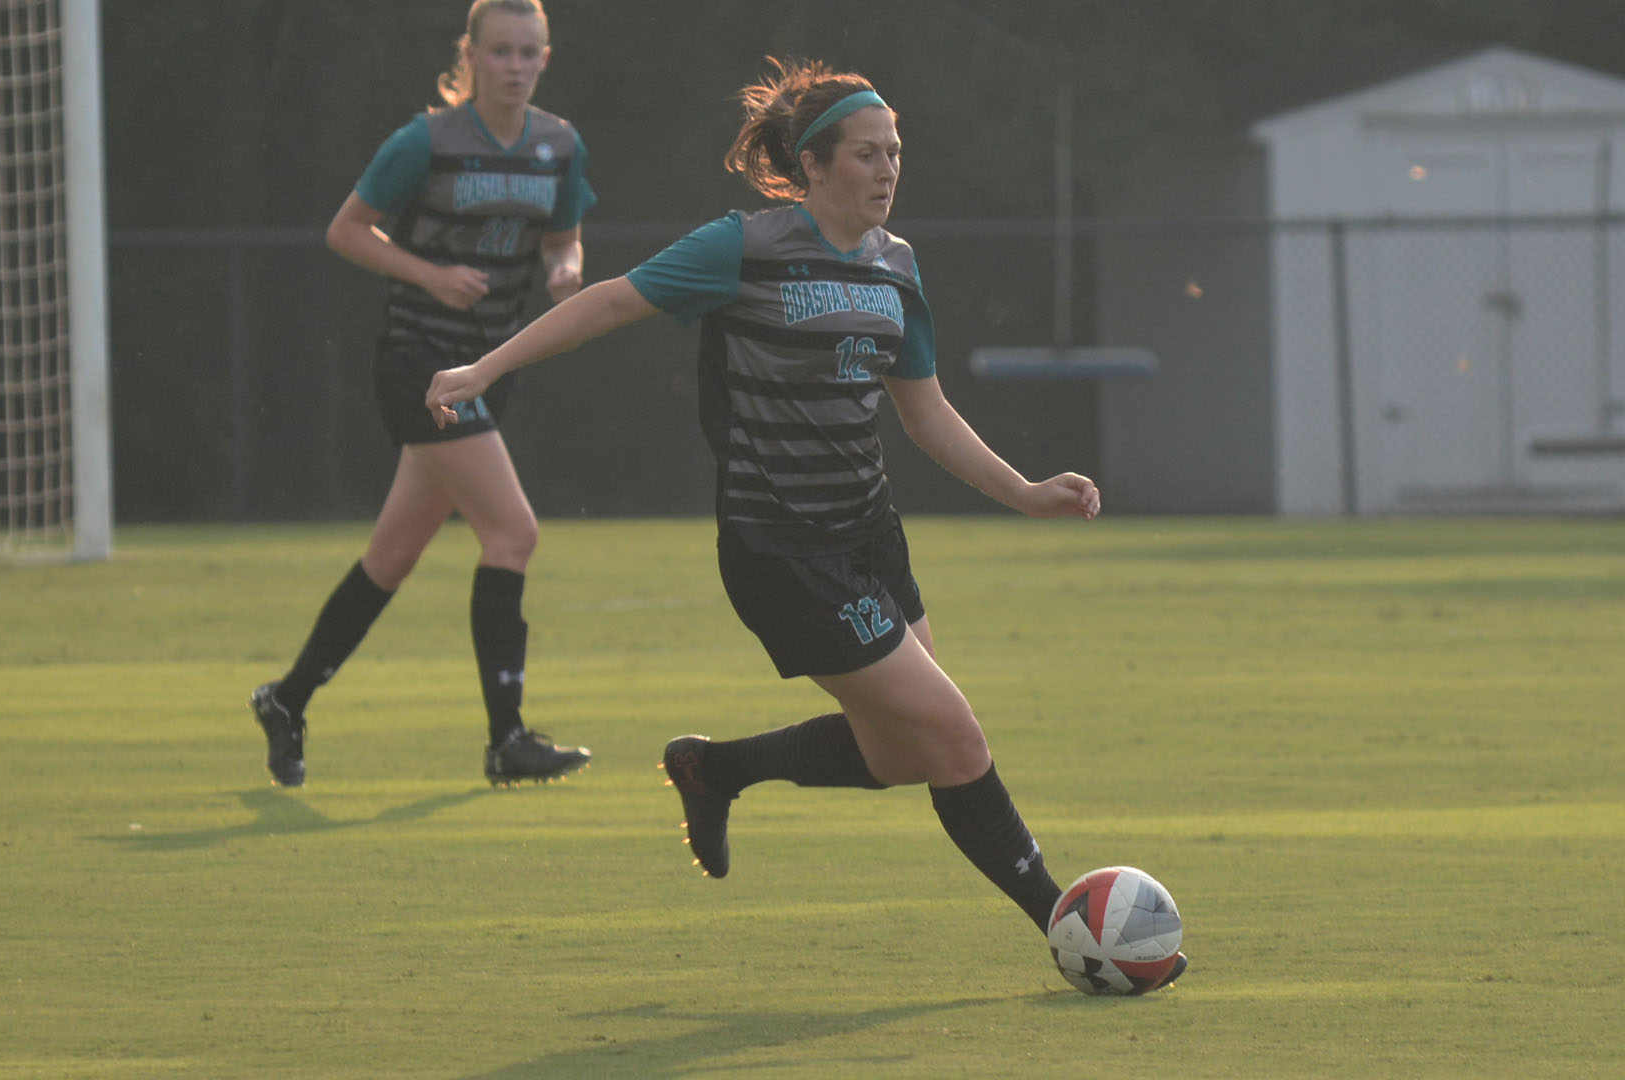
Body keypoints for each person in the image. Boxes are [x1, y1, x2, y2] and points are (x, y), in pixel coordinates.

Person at [428, 58, 1186, 989]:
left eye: (895, 151)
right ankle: (1076, 936)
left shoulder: (897, 266)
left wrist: (1024, 491)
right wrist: (482, 370)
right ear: (814, 165)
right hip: (779, 551)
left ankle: (713, 770)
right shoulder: (744, 247)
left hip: (868, 535)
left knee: (903, 753)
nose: (887, 168)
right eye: (866, 154)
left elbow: (925, 412)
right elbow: (613, 300)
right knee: (953, 736)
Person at [249, 0, 596, 789]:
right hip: (419, 365)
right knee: (513, 534)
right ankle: (507, 740)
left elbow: (563, 232)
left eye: (527, 52)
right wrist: (431, 274)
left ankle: (286, 699)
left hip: (488, 368)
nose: (514, 65)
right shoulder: (427, 141)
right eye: (499, 51)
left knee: (392, 557)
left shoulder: (557, 143)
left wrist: (565, 268)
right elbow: (347, 229)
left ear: (545, 57)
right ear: (469, 55)